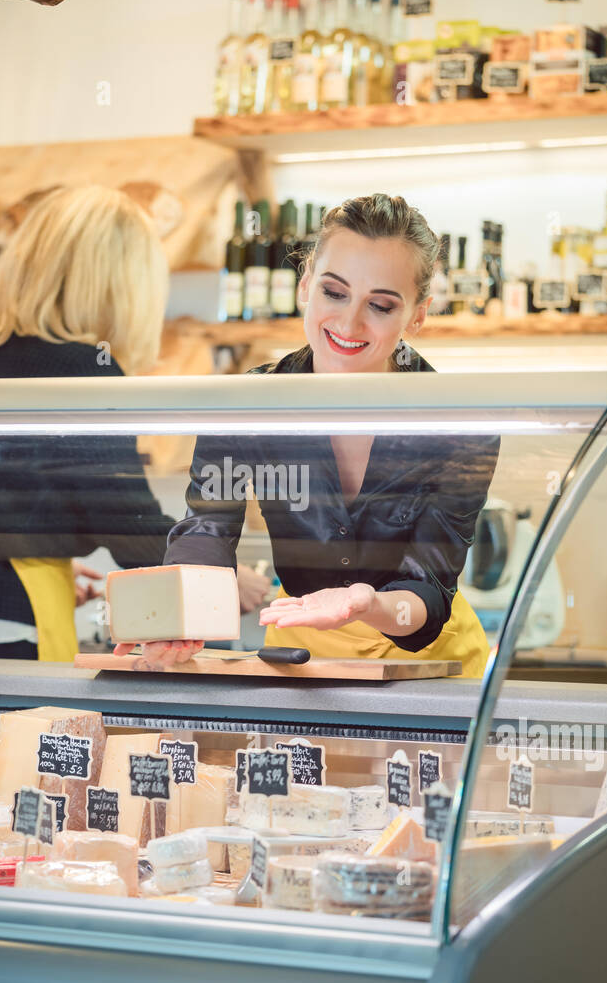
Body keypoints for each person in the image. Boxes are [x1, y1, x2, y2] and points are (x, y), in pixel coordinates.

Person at [0, 184, 269, 660]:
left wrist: (42, 549)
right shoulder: (84, 368)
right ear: (122, 284)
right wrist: (219, 575)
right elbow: (126, 522)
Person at [114, 193, 500, 677]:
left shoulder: (459, 425)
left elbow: (429, 587)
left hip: (426, 663)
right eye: (334, 292)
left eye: (380, 305)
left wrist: (367, 604)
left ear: (417, 316)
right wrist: (179, 617)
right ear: (305, 286)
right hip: (300, 658)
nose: (348, 322)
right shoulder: (248, 404)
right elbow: (207, 528)